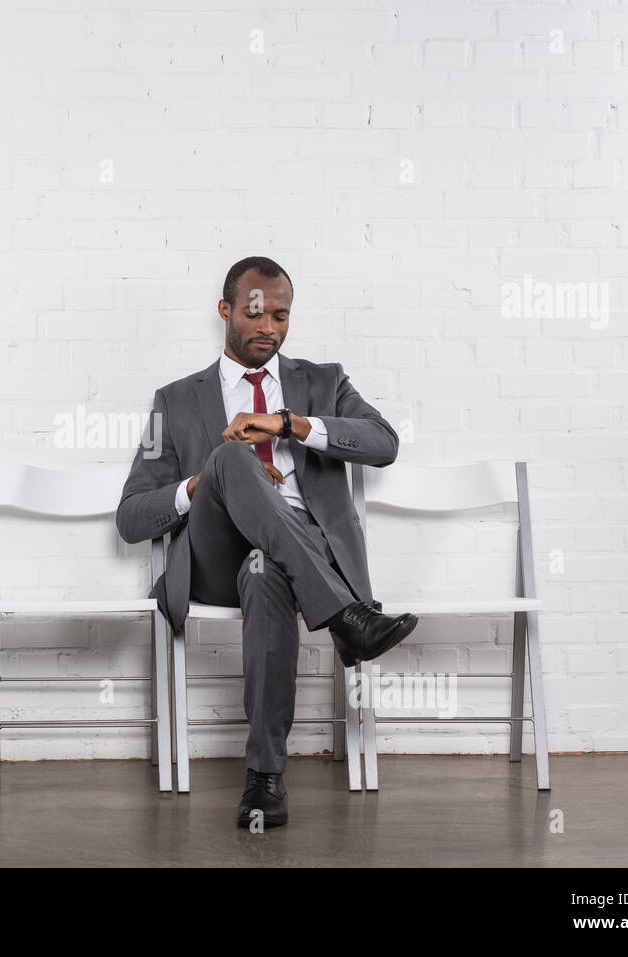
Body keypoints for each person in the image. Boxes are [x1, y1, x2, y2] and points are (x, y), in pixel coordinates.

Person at [116, 256, 418, 828]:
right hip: (214, 551)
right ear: (226, 311)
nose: (269, 328)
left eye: (281, 316)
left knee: (265, 570)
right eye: (256, 313)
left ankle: (264, 780)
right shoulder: (176, 400)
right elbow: (131, 516)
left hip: (287, 557)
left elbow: (384, 442)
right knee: (229, 456)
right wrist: (207, 481)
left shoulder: (323, 382)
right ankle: (347, 617)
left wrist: (290, 424)